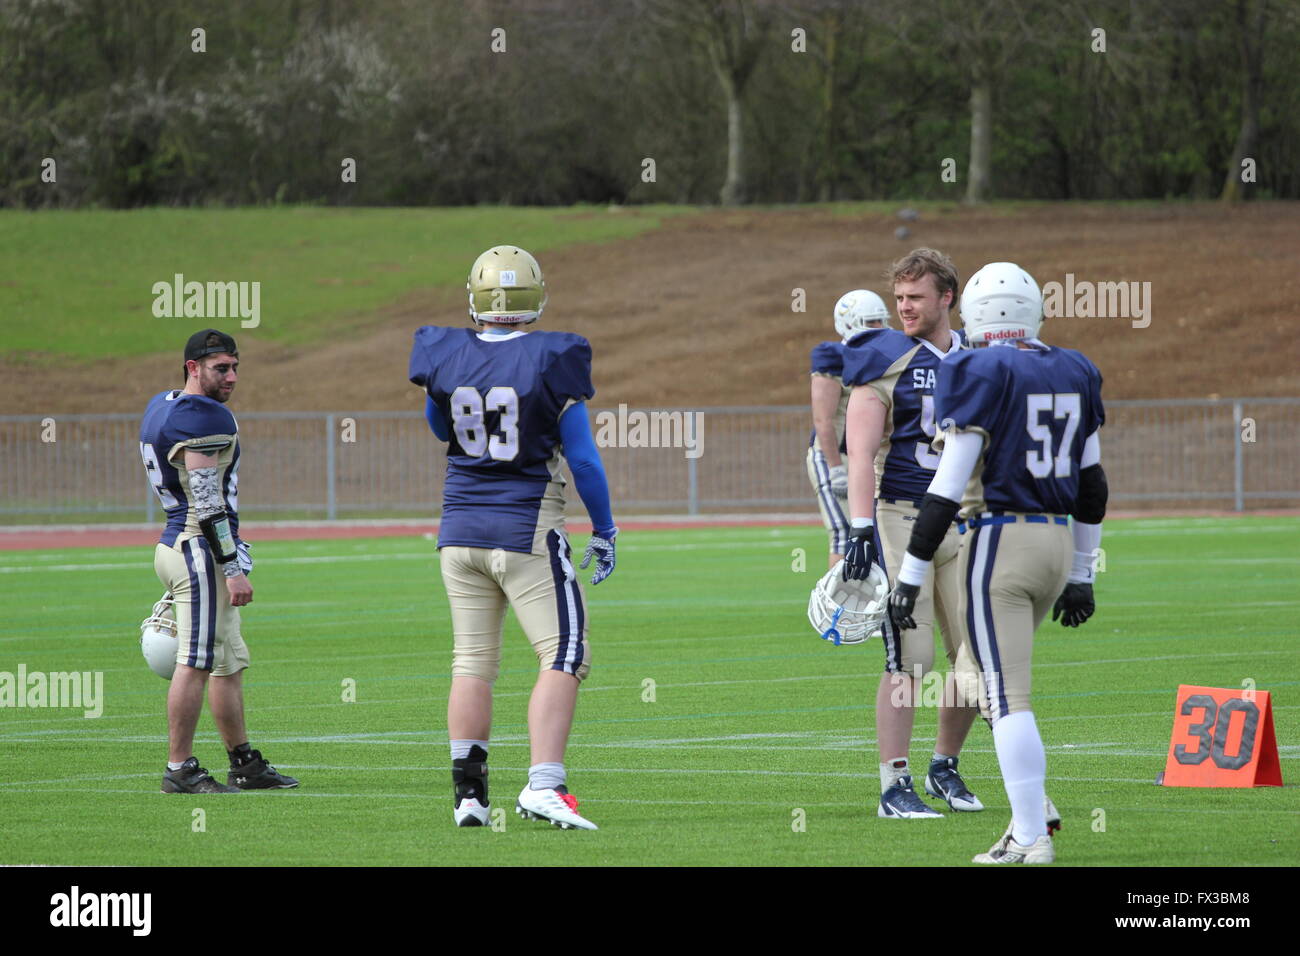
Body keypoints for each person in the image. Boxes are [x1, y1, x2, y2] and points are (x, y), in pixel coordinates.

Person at [887, 262, 1106, 863]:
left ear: (975, 314)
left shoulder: (975, 367)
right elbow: (1093, 486)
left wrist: (908, 576)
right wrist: (1083, 572)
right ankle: (1035, 812)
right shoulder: (1075, 368)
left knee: (1005, 694)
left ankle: (1030, 833)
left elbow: (945, 489)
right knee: (979, 673)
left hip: (999, 540)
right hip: (1056, 544)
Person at [409, 245, 617, 831]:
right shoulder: (553, 358)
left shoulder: (445, 354)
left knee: (473, 663)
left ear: (474, 299)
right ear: (537, 298)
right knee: (566, 654)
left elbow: (437, 425)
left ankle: (469, 797)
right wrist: (605, 530)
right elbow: (584, 460)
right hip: (525, 527)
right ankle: (544, 784)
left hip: (458, 532)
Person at [841, 249, 983, 819]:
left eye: (916, 297)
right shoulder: (883, 358)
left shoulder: (978, 355)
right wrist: (858, 528)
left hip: (967, 519)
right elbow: (860, 453)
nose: (904, 307)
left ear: (947, 297)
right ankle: (893, 785)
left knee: (979, 658)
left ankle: (944, 765)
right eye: (899, 297)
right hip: (902, 515)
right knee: (912, 656)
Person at [139, 329, 298, 794]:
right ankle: (180, 768)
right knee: (196, 662)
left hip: (178, 542)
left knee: (228, 662)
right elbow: (208, 504)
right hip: (197, 549)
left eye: (235, 366)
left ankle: (244, 763)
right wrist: (233, 568)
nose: (231, 376)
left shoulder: (162, 403)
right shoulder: (202, 417)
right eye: (220, 368)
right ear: (193, 368)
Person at [807, 290, 890, 570]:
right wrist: (835, 468)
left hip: (867, 459)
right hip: (836, 457)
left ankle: (870, 605)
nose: (879, 328)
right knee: (845, 534)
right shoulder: (833, 356)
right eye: (872, 321)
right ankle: (838, 610)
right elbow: (823, 420)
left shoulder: (885, 355)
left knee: (875, 535)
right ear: (850, 322)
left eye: (881, 321)